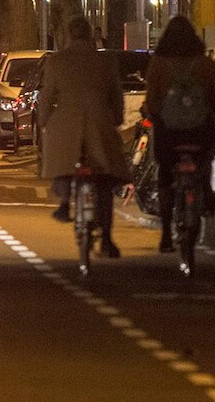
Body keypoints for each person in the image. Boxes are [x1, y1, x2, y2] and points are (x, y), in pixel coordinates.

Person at [38, 17, 130, 258]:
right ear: (90, 34)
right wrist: (116, 118)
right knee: (105, 179)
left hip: (66, 122)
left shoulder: (57, 61)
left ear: (68, 34)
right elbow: (116, 95)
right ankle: (108, 239)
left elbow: (46, 97)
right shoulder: (106, 61)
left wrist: (44, 120)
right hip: (99, 122)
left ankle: (64, 201)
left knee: (63, 158)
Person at [143, 16, 215, 253]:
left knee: (166, 177)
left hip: (169, 133)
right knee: (205, 160)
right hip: (199, 131)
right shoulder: (204, 64)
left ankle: (167, 233)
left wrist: (154, 115)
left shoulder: (158, 63)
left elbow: (152, 100)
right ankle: (207, 194)